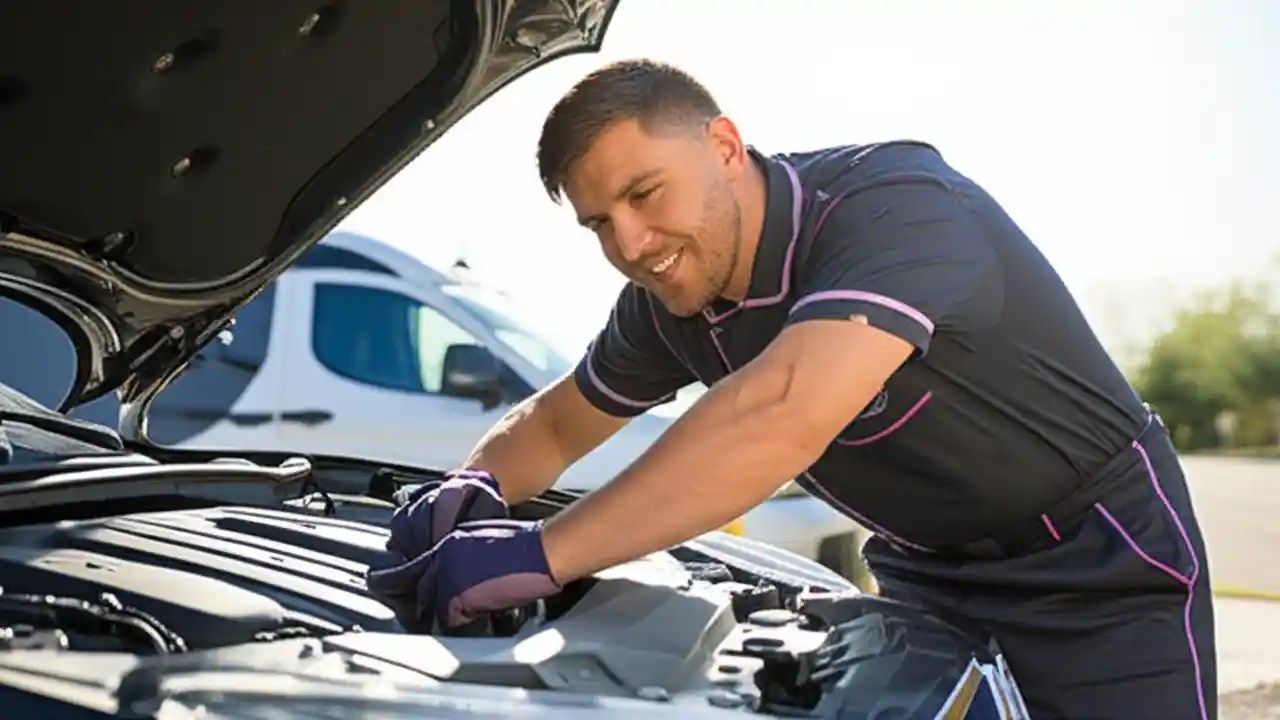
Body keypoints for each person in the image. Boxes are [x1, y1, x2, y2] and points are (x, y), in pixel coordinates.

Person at [366, 59, 1216, 719]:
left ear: (725, 148)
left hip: (1097, 560)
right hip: (926, 574)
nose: (629, 242)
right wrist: (472, 485)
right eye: (599, 224)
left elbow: (780, 414)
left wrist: (541, 553)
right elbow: (554, 423)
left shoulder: (897, 207)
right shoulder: (672, 298)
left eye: (643, 193)